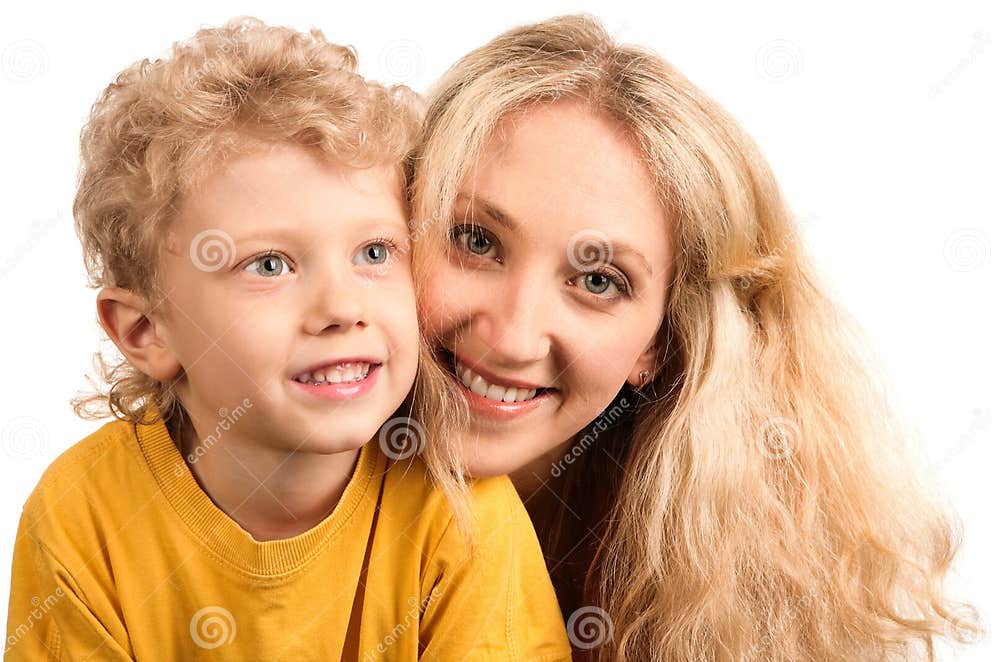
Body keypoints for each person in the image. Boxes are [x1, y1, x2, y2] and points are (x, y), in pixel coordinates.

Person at [408, 13, 979, 660]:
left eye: (598, 282)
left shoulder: (706, 593)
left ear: (661, 342)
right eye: (476, 240)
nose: (510, 336)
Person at [4, 17, 571, 661]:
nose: (341, 306)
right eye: (269, 264)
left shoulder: (459, 511)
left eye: (375, 251)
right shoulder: (82, 516)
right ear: (146, 332)